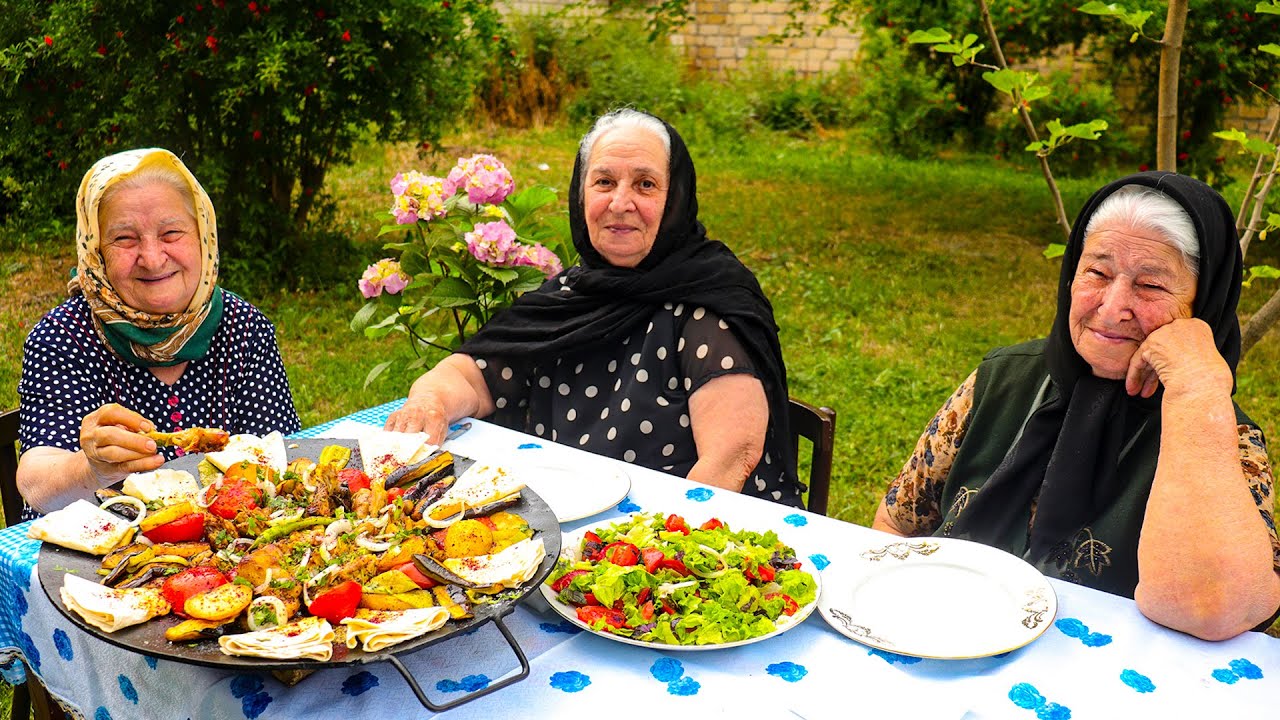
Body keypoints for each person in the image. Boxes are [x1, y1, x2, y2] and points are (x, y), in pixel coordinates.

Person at [872, 172, 1280, 640]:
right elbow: (896, 526)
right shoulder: (1003, 379)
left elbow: (1211, 610)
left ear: (1203, 304)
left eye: (1150, 286)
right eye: (1097, 273)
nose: (1111, 308)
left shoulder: (1222, 437)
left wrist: (1195, 389)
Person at [386, 109, 803, 506]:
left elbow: (732, 458)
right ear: (580, 194)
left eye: (645, 184)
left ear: (675, 197)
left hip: (671, 540)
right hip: (558, 522)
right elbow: (472, 376)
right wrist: (430, 401)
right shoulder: (569, 295)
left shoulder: (707, 302)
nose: (621, 203)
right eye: (604, 182)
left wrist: (647, 547)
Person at [16, 148, 301, 518]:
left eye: (171, 233)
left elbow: (284, 453)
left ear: (203, 236)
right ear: (95, 251)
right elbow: (37, 485)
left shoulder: (243, 326)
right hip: (91, 556)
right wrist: (92, 469)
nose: (152, 258)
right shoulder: (62, 338)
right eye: (124, 239)